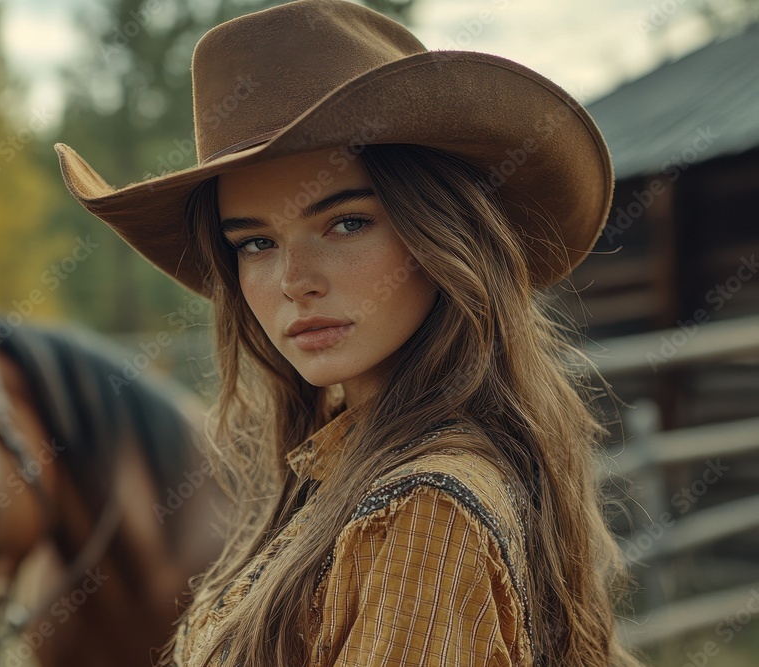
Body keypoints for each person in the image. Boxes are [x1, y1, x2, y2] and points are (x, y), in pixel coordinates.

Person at [54, 1, 646, 665]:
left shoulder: (425, 512)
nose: (294, 280)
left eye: (346, 223)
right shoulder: (341, 466)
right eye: (254, 242)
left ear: (440, 234)